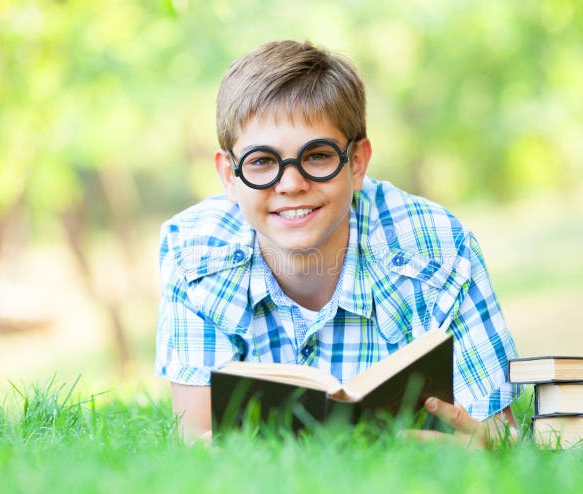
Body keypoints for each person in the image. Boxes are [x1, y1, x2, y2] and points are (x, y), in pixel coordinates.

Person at [155, 40, 522, 445]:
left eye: (317, 156)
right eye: (261, 161)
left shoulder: (436, 248)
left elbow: (497, 434)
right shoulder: (195, 251)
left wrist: (475, 444)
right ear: (229, 175)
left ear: (357, 163)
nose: (291, 184)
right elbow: (197, 440)